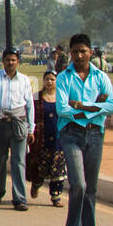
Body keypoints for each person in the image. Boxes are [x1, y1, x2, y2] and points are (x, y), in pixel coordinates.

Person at [56, 33, 113, 226]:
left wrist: (82, 105)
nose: (79, 55)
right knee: (78, 185)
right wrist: (94, 107)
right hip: (71, 133)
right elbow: (63, 109)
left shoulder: (101, 77)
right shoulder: (63, 78)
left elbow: (111, 106)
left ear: (91, 52)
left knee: (91, 188)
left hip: (94, 134)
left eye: (83, 51)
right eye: (75, 52)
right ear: (70, 54)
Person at [0, 48, 34, 210]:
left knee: (19, 161)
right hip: (0, 123)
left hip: (19, 124)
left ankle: (20, 198)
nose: (10, 63)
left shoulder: (24, 80)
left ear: (18, 62)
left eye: (13, 60)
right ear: (2, 61)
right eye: (8, 60)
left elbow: (29, 105)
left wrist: (31, 128)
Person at [27, 70, 68, 207]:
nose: (49, 82)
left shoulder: (62, 97)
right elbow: (30, 114)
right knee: (41, 167)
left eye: (52, 79)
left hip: (58, 138)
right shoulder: (37, 97)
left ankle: (56, 197)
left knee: (58, 168)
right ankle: (36, 184)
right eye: (47, 79)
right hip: (41, 138)